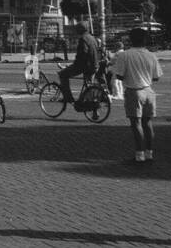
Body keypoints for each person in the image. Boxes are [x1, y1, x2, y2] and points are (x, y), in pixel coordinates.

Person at [112, 27, 163, 163]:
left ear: (130, 39)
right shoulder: (151, 55)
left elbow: (119, 76)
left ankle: (139, 154)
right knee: (148, 123)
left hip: (133, 90)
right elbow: (157, 77)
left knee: (136, 124)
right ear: (145, 40)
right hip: (148, 90)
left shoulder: (125, 55)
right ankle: (149, 153)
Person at [59, 23, 101, 106]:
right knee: (88, 85)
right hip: (94, 65)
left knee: (62, 74)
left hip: (84, 65)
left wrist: (75, 64)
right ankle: (92, 107)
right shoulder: (92, 38)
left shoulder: (83, 39)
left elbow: (82, 54)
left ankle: (68, 97)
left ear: (80, 30)